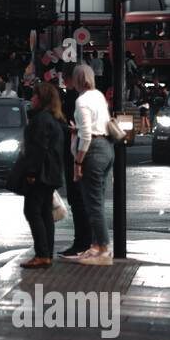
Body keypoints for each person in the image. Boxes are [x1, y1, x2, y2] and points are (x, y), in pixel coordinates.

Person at [63, 62, 115, 265]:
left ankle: (102, 249)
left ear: (76, 79)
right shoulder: (99, 96)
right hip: (106, 148)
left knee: (92, 204)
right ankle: (96, 246)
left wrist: (78, 161)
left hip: (92, 151)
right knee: (98, 201)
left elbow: (85, 135)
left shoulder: (82, 100)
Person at [18, 82, 67, 269]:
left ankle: (42, 254)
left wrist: (31, 173)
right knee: (45, 212)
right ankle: (47, 253)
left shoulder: (41, 120)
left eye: (34, 96)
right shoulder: (54, 119)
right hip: (51, 173)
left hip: (41, 174)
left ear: (42, 98)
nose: (32, 99)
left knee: (32, 211)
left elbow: (38, 150)